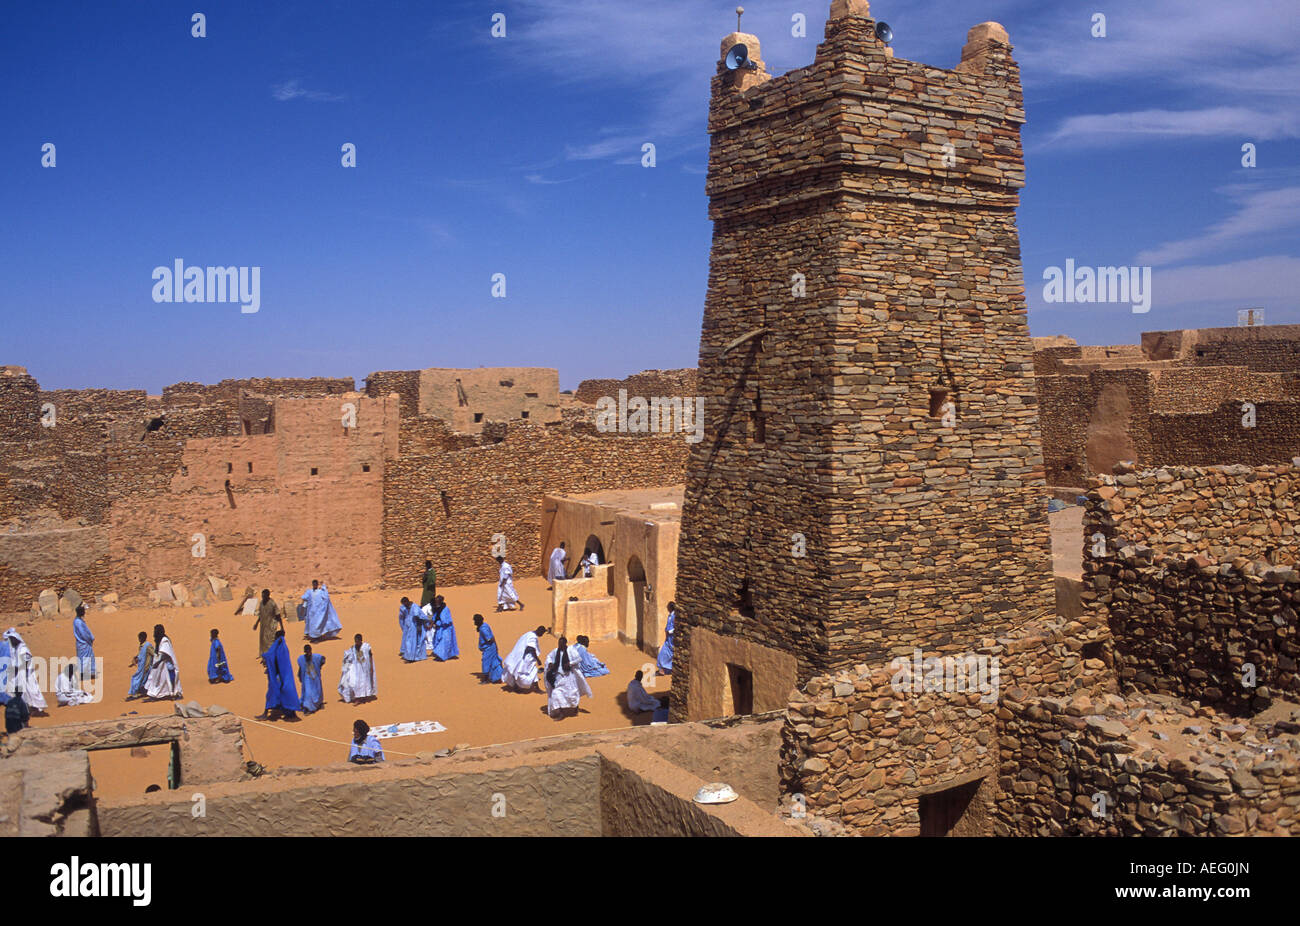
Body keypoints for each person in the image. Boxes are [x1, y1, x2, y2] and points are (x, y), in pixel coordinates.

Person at [542, 636, 592, 719]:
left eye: (561, 644)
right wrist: (550, 663)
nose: (559, 645)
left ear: (565, 644)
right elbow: (549, 657)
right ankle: (560, 712)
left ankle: (575, 707)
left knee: (571, 695)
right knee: (556, 693)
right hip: (559, 677)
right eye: (559, 644)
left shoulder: (571, 651)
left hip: (568, 677)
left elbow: (579, 659)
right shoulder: (555, 651)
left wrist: (570, 663)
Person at [3, 629, 47, 712]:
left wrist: (17, 668)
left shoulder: (23, 649)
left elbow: (26, 662)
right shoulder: (16, 649)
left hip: (27, 675)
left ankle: (33, 708)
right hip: (20, 675)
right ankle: (26, 709)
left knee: (31, 691)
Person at [261, 629, 301, 720]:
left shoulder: (280, 648)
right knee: (285, 693)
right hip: (283, 676)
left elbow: (270, 656)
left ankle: (266, 714)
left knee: (272, 693)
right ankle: (289, 712)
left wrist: (264, 656)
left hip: (279, 677)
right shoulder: (282, 647)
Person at [502, 626, 547, 691]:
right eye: (542, 633)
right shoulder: (533, 637)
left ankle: (516, 686)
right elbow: (531, 648)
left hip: (520, 656)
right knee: (529, 671)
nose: (542, 635)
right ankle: (536, 689)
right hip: (526, 658)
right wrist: (537, 659)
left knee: (518, 671)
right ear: (540, 631)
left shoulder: (529, 633)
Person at [143, 624, 182, 700]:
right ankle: (157, 695)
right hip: (161, 666)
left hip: (168, 666)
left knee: (170, 681)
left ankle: (174, 694)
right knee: (158, 680)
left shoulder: (165, 641)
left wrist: (155, 661)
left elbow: (163, 653)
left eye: (155, 631)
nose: (154, 633)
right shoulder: (160, 640)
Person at [339, 634, 377, 702]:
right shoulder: (353, 648)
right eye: (355, 641)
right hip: (356, 669)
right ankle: (358, 697)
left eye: (357, 641)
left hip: (365, 669)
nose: (356, 643)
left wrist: (371, 667)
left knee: (365, 682)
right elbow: (349, 656)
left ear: (361, 640)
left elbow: (370, 656)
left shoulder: (366, 647)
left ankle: (362, 697)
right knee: (355, 682)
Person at [251, 588, 283, 657]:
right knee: (263, 641)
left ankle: (270, 657)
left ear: (268, 596)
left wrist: (282, 628)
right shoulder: (261, 603)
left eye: (264, 596)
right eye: (262, 596)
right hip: (263, 626)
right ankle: (264, 655)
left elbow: (278, 616)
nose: (263, 598)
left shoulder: (272, 604)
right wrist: (256, 623)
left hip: (271, 626)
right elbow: (261, 614)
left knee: (270, 642)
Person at [473, 614, 504, 683]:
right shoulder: (484, 625)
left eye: (475, 621)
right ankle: (497, 677)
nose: (474, 622)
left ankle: (486, 679)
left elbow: (490, 638)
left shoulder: (483, 629)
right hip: (491, 647)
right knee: (493, 661)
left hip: (489, 648)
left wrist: (495, 646)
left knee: (486, 662)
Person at [428, 595, 459, 661]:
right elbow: (434, 617)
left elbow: (446, 621)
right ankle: (444, 654)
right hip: (439, 629)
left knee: (445, 641)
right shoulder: (436, 608)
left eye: (437, 601)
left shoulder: (445, 609)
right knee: (437, 641)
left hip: (446, 629)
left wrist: (439, 623)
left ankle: (441, 656)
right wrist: (431, 625)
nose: (436, 602)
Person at [298, 644, 326, 714]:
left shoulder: (316, 657)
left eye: (309, 652)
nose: (308, 653)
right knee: (308, 693)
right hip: (307, 678)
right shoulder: (301, 659)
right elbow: (300, 667)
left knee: (317, 691)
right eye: (306, 652)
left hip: (315, 677)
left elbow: (323, 659)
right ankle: (308, 708)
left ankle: (319, 703)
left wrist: (319, 666)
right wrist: (299, 675)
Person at [398, 597, 427, 662]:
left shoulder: (415, 607)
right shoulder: (404, 608)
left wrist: (419, 627)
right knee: (407, 640)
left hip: (414, 627)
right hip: (408, 627)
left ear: (408, 601)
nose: (404, 605)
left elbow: (420, 617)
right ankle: (408, 654)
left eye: (405, 604)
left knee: (411, 642)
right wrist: (403, 626)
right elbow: (401, 617)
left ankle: (411, 657)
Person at [126, 631, 154, 699]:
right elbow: (140, 654)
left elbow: (154, 654)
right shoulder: (141, 646)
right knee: (140, 679)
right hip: (141, 667)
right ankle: (141, 691)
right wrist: (135, 660)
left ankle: (135, 694)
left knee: (136, 679)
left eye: (139, 638)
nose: (139, 639)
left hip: (145, 667)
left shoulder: (148, 646)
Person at [72, 605, 96, 679]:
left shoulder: (77, 621)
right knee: (86, 658)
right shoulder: (79, 622)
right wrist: (90, 639)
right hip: (84, 643)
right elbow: (84, 633)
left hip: (81, 644)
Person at [657, 601, 677, 675]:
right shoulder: (670, 615)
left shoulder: (674, 616)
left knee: (667, 653)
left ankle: (664, 670)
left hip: (672, 639)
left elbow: (676, 626)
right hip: (668, 639)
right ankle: (662, 669)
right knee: (663, 653)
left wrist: (670, 632)